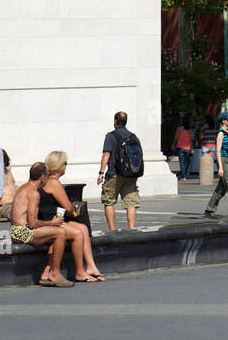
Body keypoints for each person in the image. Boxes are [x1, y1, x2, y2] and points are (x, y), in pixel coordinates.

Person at [40, 151, 105, 280]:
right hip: (49, 222)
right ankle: (80, 271)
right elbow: (68, 208)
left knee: (83, 228)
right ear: (61, 166)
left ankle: (91, 266)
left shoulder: (45, 181)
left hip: (49, 219)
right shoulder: (54, 183)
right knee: (78, 233)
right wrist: (74, 209)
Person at [10, 162, 71, 286]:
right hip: (22, 232)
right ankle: (55, 274)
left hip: (16, 230)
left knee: (54, 233)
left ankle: (47, 273)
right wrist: (52, 222)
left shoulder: (23, 187)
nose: (49, 178)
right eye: (48, 175)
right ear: (42, 177)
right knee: (60, 233)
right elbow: (32, 223)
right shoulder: (34, 193)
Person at [98, 110, 142, 231]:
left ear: (115, 121)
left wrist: (101, 173)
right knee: (131, 203)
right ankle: (132, 229)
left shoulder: (111, 136)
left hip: (114, 173)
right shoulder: (133, 136)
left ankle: (112, 230)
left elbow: (106, 154)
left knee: (109, 201)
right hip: (131, 174)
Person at [172, 115, 195, 183]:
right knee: (186, 162)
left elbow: (176, 138)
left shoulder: (179, 129)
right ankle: (184, 174)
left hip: (180, 147)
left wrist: (173, 144)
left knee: (182, 162)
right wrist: (191, 148)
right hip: (188, 148)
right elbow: (190, 140)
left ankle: (183, 176)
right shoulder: (190, 130)